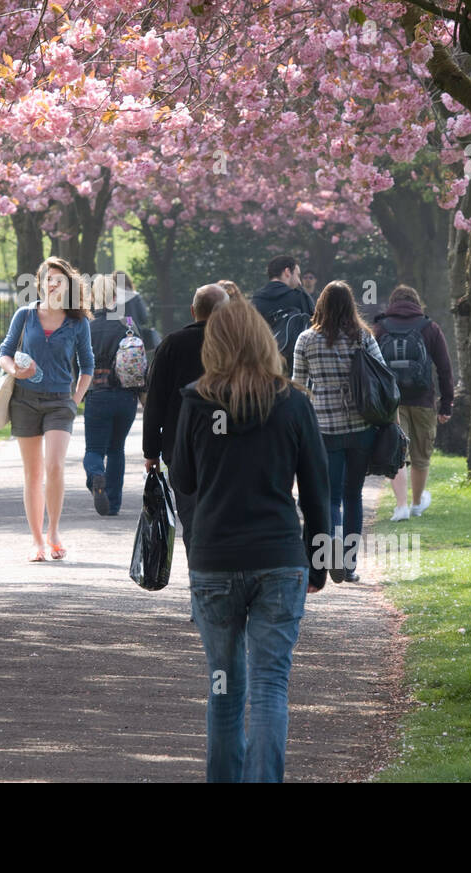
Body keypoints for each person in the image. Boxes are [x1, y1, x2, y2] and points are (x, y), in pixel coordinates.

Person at [169, 297, 332, 783]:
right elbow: (318, 493)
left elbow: (184, 477)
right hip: (279, 557)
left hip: (215, 558)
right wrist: (318, 563)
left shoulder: (196, 401)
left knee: (223, 689)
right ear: (265, 341)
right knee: (268, 686)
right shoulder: (293, 404)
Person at [0, 257, 93, 561]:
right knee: (33, 472)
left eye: (59, 279)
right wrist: (14, 371)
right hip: (24, 400)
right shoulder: (25, 315)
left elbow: (87, 365)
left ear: (67, 285)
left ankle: (54, 533)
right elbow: (4, 353)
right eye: (48, 279)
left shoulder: (77, 322)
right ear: (40, 283)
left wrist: (74, 400)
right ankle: (37, 541)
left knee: (54, 465)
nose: (53, 284)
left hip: (59, 402)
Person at [291, 281, 387, 583]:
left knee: (330, 497)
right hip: (361, 427)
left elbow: (298, 386)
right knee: (353, 494)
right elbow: (383, 375)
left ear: (320, 305)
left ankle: (329, 557)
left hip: (324, 428)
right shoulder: (364, 338)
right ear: (351, 306)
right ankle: (349, 563)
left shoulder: (306, 339)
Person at [142, 283, 228, 552]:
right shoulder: (235, 345)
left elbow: (155, 399)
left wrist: (151, 451)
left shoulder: (172, 344)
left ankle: (198, 570)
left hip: (180, 445)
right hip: (227, 443)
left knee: (191, 516)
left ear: (193, 311)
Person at [371, 285, 454, 520]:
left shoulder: (380, 327)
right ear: (417, 303)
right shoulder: (430, 328)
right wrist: (446, 403)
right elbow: (445, 369)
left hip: (391, 402)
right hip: (423, 400)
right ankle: (417, 504)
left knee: (397, 452)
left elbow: (370, 367)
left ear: (393, 303)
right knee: (421, 455)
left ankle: (401, 506)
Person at [82, 274, 144, 516]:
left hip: (97, 394)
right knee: (117, 449)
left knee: (94, 450)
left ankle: (97, 475)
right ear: (117, 297)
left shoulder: (87, 326)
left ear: (93, 298)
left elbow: (77, 364)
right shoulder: (127, 323)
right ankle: (114, 504)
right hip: (125, 396)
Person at [250, 255, 315, 322]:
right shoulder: (300, 298)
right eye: (298, 275)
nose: (300, 282)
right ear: (287, 272)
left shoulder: (256, 300)